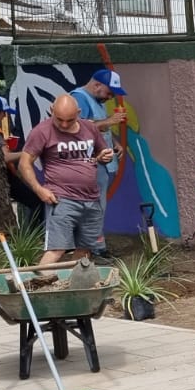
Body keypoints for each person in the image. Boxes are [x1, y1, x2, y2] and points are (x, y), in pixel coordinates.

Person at [19, 94, 115, 265]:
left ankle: (72, 286)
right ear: (51, 110)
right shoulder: (42, 131)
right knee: (57, 249)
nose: (63, 124)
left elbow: (100, 152)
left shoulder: (89, 128)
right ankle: (36, 285)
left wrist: (104, 156)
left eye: (69, 120)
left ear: (78, 113)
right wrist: (39, 189)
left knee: (85, 249)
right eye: (59, 119)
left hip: (91, 199)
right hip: (61, 198)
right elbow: (24, 163)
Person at [69, 69, 127, 258]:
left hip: (102, 163)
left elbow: (97, 128)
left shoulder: (96, 100)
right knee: (93, 207)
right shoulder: (79, 98)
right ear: (96, 85)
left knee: (98, 206)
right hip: (90, 163)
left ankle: (94, 246)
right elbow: (76, 127)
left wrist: (114, 142)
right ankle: (92, 248)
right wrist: (109, 121)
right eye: (109, 93)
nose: (110, 97)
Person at [0, 94, 43, 225]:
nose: (5, 116)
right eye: (4, 113)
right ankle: (32, 238)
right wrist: (27, 153)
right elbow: (5, 157)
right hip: (4, 175)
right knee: (37, 201)